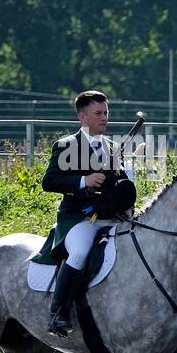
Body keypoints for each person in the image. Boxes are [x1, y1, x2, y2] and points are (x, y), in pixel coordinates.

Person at [34, 90, 137, 336]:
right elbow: (49, 181)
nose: (104, 118)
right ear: (83, 117)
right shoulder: (66, 145)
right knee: (79, 251)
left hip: (111, 217)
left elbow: (120, 187)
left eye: (106, 113)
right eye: (98, 113)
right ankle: (58, 313)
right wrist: (84, 180)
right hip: (78, 218)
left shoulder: (113, 147)